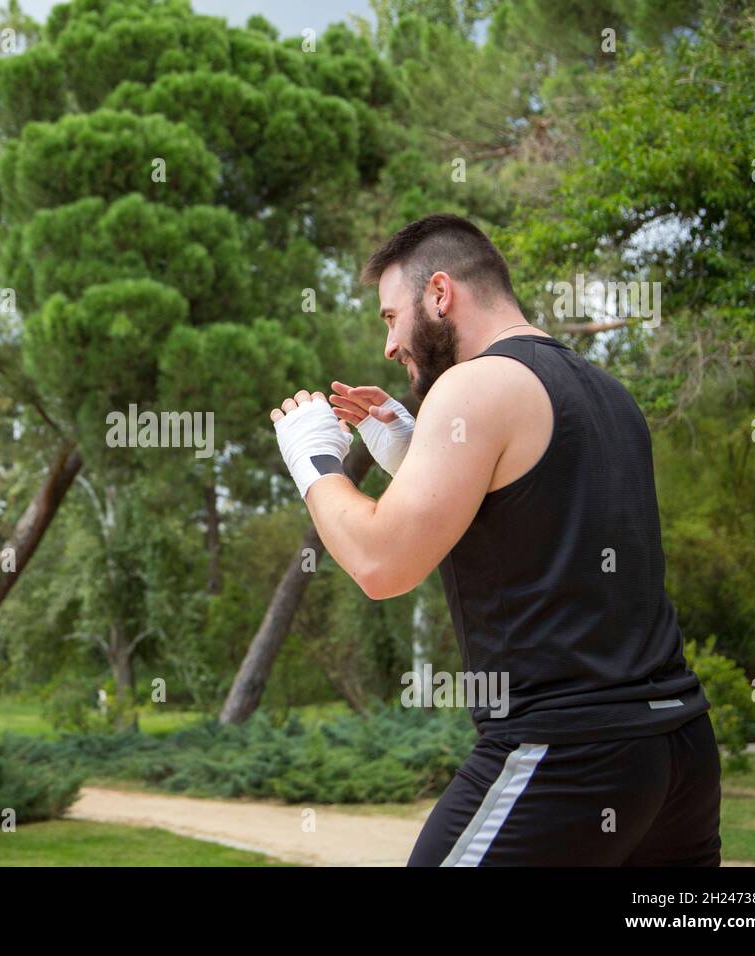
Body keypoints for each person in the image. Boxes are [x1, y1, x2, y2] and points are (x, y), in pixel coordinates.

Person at [271, 214, 721, 866]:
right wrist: (414, 445)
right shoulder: (608, 394)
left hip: (567, 752)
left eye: (390, 317)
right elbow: (534, 514)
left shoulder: (473, 384)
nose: (389, 345)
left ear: (440, 294)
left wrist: (313, 460)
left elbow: (380, 563)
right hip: (675, 748)